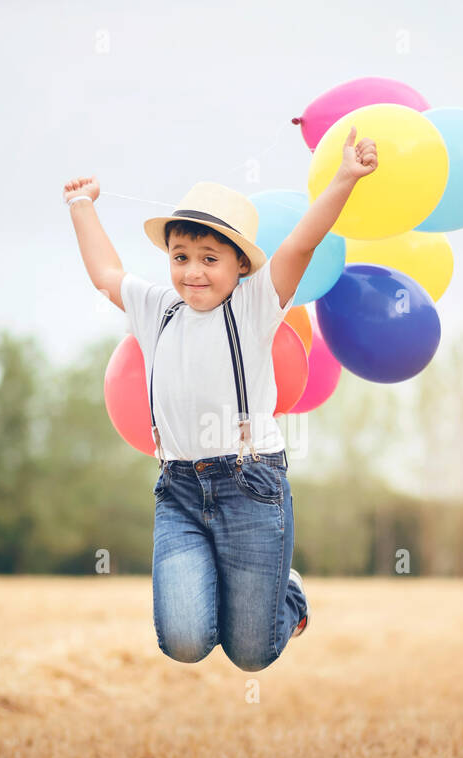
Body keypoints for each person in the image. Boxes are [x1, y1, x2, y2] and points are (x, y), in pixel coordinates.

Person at [63, 127, 378, 670]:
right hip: (180, 491)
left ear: (240, 267)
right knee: (184, 642)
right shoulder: (156, 307)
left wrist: (346, 177)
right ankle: (237, 587)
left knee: (252, 654)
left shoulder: (256, 303)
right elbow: (105, 275)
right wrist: (80, 206)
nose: (192, 271)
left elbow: (302, 241)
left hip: (251, 486)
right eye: (180, 256)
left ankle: (290, 596)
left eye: (210, 259)